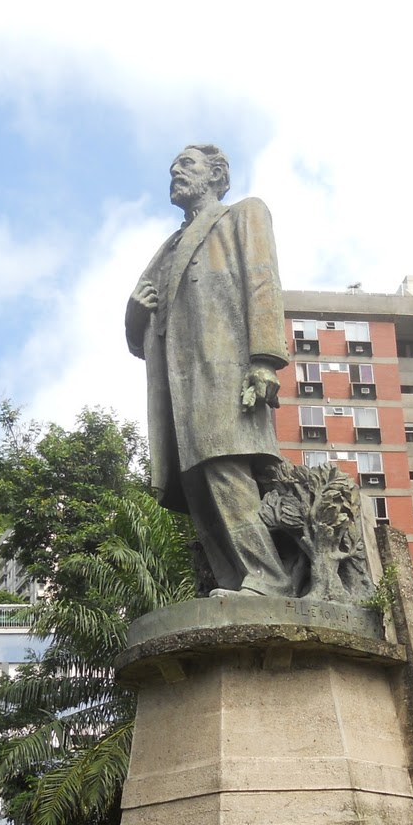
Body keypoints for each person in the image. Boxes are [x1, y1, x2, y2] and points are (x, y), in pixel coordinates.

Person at [124, 145, 294, 596]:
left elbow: (263, 282)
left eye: (186, 164)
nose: (174, 171)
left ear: (217, 173)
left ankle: (270, 579)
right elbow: (141, 339)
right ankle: (235, 581)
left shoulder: (243, 214)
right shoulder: (167, 248)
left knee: (225, 466)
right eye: (173, 166)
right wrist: (133, 314)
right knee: (197, 481)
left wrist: (264, 359)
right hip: (180, 388)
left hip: (225, 371)